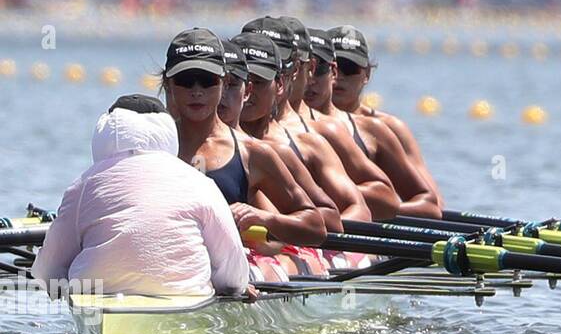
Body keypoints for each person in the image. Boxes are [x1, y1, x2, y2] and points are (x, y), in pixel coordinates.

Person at [31, 95, 251, 298]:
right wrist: (229, 286)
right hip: (185, 299)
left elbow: (48, 271)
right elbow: (234, 272)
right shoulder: (200, 183)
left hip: (98, 301)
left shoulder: (82, 186)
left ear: (104, 133)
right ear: (167, 134)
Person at [161, 28, 325, 250]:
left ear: (223, 81)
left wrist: (264, 218)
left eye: (207, 80)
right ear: (168, 84)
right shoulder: (153, 148)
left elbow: (315, 227)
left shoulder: (252, 153)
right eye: (186, 80)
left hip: (232, 274)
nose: (197, 91)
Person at [242, 16, 401, 220]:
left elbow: (383, 202)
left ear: (295, 69)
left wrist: (307, 200)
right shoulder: (206, 133)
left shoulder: (317, 134)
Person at [325, 25, 444, 217]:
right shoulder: (295, 124)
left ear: (367, 75)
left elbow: (433, 204)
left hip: (368, 228)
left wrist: (376, 208)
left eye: (349, 68)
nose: (339, 77)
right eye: (333, 68)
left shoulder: (388, 128)